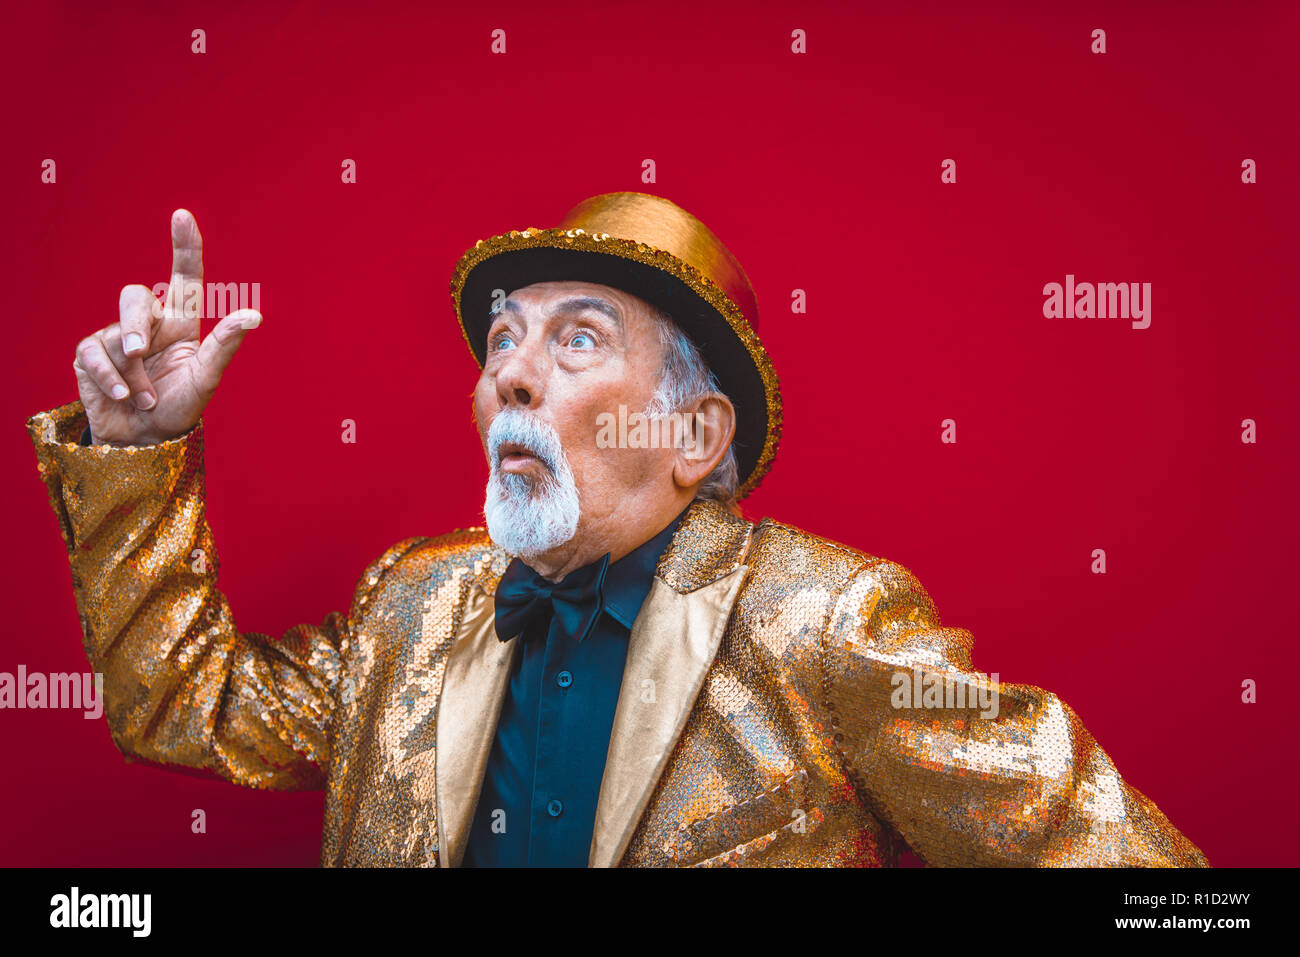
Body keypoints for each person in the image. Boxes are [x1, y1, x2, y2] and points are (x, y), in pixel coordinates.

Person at [28, 191, 1208, 867]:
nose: (512, 378)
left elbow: (1106, 862)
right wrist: (135, 451)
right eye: (501, 341)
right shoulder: (410, 603)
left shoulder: (828, 625)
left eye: (577, 338)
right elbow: (182, 711)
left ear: (693, 436)